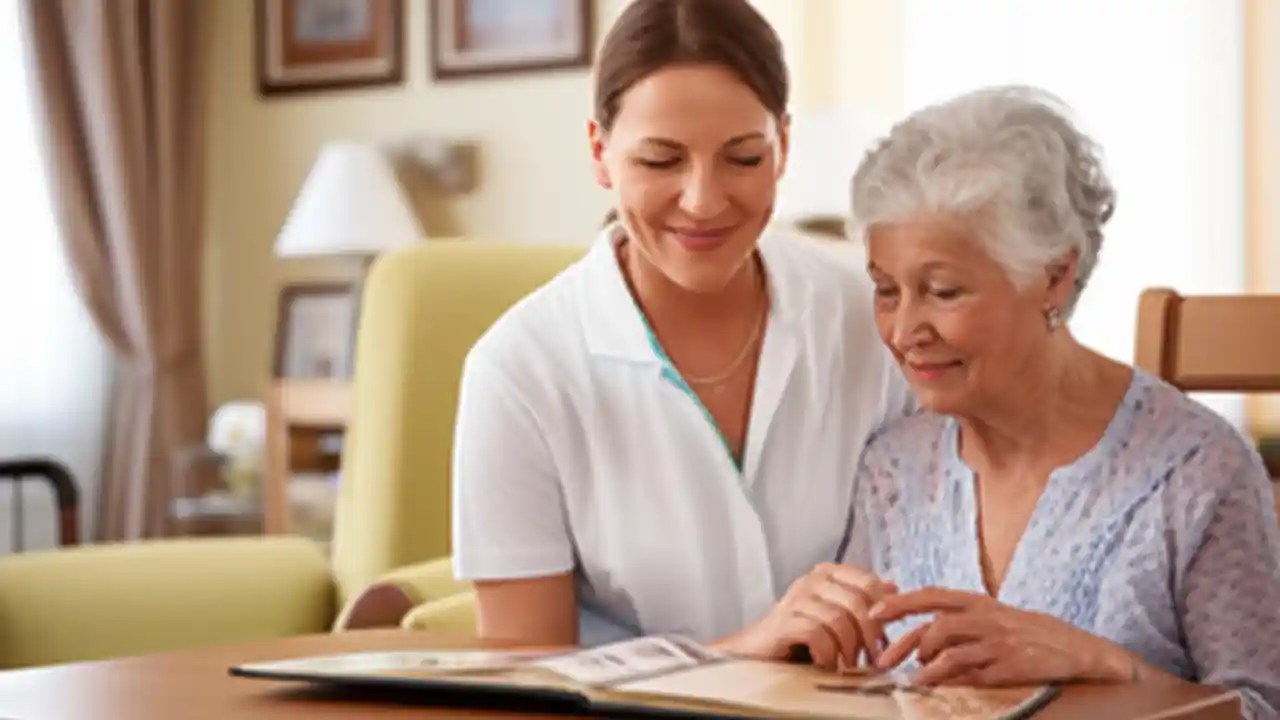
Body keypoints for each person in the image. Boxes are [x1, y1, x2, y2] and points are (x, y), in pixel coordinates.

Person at [449, 0, 910, 659]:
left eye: (743, 158)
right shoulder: (520, 370)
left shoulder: (869, 319)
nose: (703, 200)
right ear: (600, 153)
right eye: (662, 161)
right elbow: (529, 683)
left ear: (783, 146)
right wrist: (745, 651)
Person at [841, 85, 1280, 717]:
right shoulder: (893, 470)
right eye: (886, 290)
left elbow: (1261, 709)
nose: (905, 331)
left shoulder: (1198, 472)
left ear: (1054, 274)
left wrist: (1106, 667)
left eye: (942, 292)